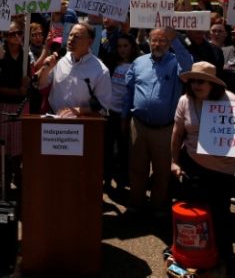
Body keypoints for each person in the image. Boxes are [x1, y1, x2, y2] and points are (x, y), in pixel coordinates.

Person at [170, 62, 235, 272]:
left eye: (200, 81)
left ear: (212, 83)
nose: (195, 85)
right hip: (193, 164)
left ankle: (226, 256)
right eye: (192, 80)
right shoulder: (185, 100)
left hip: (223, 169)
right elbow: (177, 135)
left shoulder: (232, 101)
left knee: (220, 214)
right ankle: (194, 254)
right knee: (195, 213)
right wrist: (174, 161)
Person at [122, 26, 193, 214]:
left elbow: (189, 68)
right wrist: (123, 117)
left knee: (162, 171)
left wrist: (176, 39)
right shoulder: (138, 62)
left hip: (164, 128)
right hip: (138, 124)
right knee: (137, 168)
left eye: (162, 40)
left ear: (169, 43)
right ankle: (136, 204)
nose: (157, 44)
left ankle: (157, 207)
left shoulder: (177, 63)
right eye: (154, 40)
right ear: (148, 40)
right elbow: (128, 91)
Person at [38, 21, 114, 118]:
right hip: (53, 119)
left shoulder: (101, 70)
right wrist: (46, 69)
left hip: (81, 124)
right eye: (70, 35)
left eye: (77, 36)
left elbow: (103, 107)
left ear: (90, 42)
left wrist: (79, 111)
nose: (71, 39)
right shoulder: (59, 59)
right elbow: (41, 85)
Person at [0, 22, 32, 194]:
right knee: (1, 145)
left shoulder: (26, 56)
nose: (16, 36)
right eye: (11, 33)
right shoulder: (1, 56)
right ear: (6, 37)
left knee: (18, 146)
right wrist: (18, 90)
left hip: (21, 106)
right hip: (3, 104)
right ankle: (3, 176)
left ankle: (17, 174)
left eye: (19, 33)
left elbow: (31, 78)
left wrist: (26, 86)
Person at [104, 33, 140, 196]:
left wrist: (125, 116)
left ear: (132, 47)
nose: (122, 49)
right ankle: (107, 177)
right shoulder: (112, 64)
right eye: (119, 46)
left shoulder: (137, 65)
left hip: (126, 114)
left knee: (125, 148)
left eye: (125, 46)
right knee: (108, 147)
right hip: (109, 112)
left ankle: (124, 179)